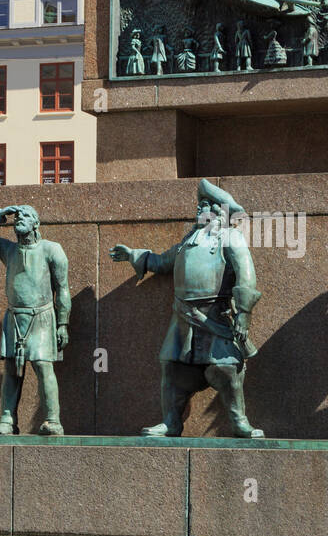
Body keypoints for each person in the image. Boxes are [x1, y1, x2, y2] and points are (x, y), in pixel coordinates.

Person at [110, 179, 263, 438]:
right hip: (182, 318)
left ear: (219, 212)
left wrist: (244, 315)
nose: (199, 209)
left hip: (215, 314)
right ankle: (171, 421)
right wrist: (135, 255)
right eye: (199, 205)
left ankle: (239, 421)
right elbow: (162, 261)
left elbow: (247, 276)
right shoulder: (188, 240)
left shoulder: (231, 237)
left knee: (227, 368)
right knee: (171, 367)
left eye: (205, 205)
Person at [0, 205, 71, 436]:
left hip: (42, 316)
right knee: (11, 369)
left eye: (25, 217)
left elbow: (63, 289)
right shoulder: (8, 249)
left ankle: (53, 420)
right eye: (16, 217)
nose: (18, 220)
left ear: (36, 223)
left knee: (43, 366)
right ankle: (7, 420)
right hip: (15, 317)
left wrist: (63, 323)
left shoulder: (52, 250)